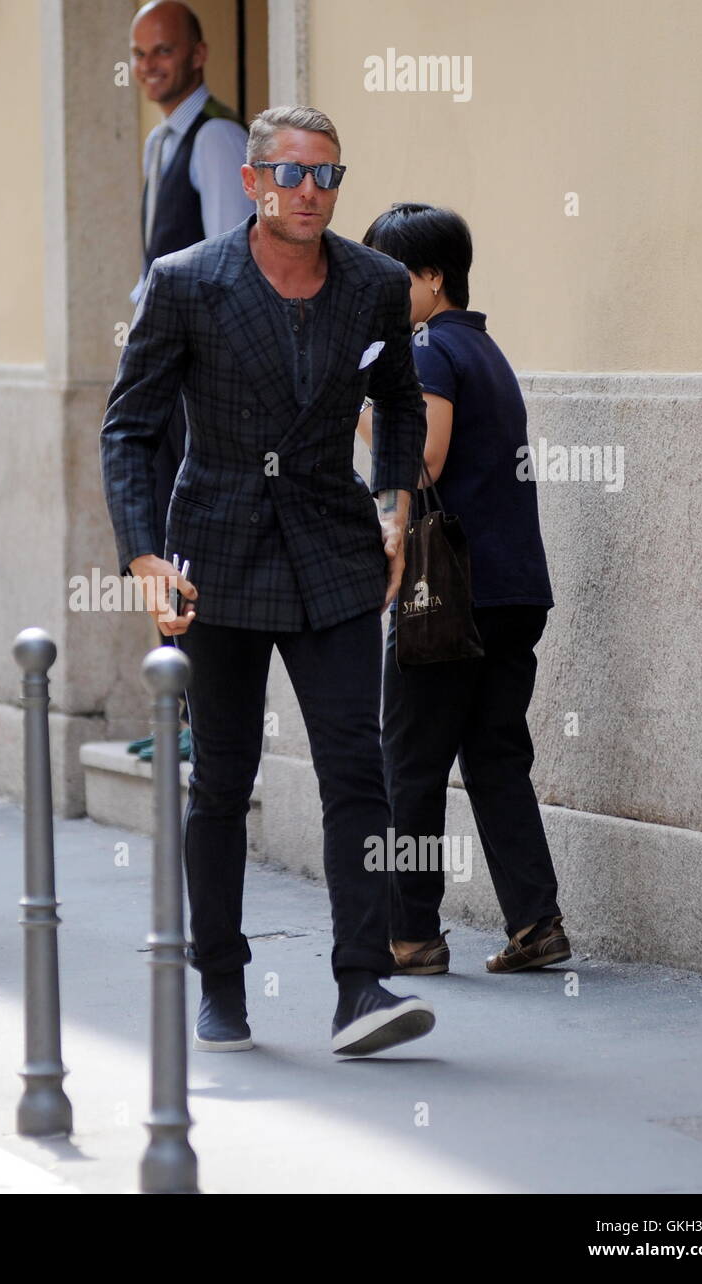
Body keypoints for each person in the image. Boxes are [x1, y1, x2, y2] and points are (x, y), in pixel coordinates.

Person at [101, 106, 435, 1057]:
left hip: (334, 552)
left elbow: (400, 402)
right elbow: (127, 428)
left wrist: (395, 503)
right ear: (252, 182)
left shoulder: (373, 285)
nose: (312, 193)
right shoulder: (188, 283)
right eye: (292, 175)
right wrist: (143, 557)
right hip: (217, 554)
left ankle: (362, 985)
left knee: (356, 768)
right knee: (222, 781)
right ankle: (221, 982)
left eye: (328, 175)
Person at [357, 203, 569, 976]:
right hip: (514, 590)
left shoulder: (426, 352)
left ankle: (410, 934)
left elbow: (426, 461)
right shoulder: (484, 348)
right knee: (494, 757)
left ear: (432, 277)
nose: (380, 291)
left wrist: (359, 410)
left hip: (448, 594)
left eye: (391, 275)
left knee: (408, 762)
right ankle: (535, 922)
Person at [125, 0, 255, 763]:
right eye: (139, 54)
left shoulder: (218, 139)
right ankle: (178, 715)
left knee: (191, 542)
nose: (149, 66)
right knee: (164, 538)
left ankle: (205, 726)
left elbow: (226, 264)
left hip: (198, 379)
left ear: (199, 54)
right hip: (164, 371)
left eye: (163, 52)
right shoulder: (158, 143)